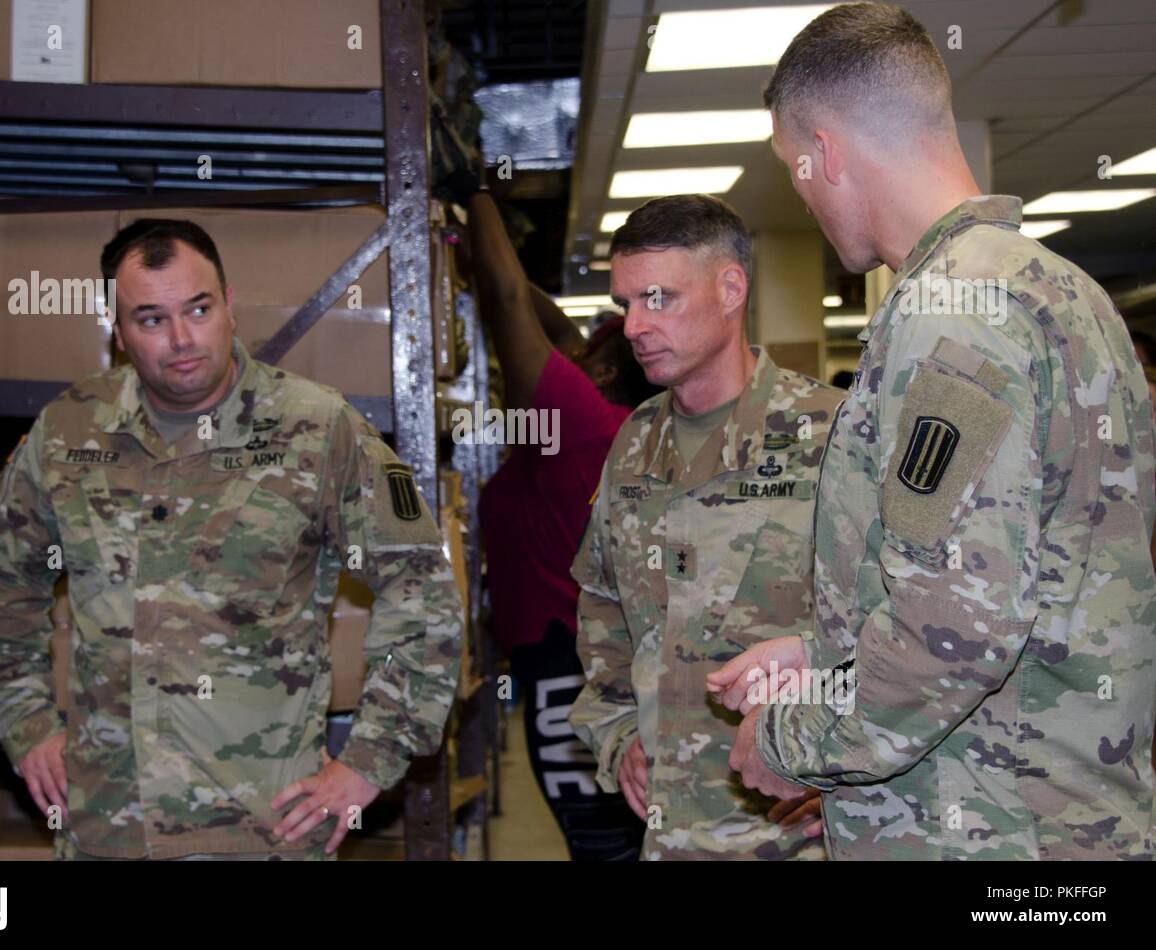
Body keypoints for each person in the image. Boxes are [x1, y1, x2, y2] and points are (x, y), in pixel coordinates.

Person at [712, 2, 1156, 860]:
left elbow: (952, 628)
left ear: (827, 152)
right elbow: (1042, 569)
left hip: (987, 836)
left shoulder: (950, 319)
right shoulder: (1064, 293)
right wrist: (823, 646)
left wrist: (785, 743)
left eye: (793, 166)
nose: (800, 192)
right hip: (1058, 817)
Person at [0, 218, 463, 860]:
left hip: (262, 832)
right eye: (150, 320)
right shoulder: (69, 433)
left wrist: (368, 760)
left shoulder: (315, 430)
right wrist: (26, 724)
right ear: (117, 333)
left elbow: (421, 590)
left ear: (229, 306)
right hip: (110, 831)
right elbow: (3, 582)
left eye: (197, 309)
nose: (181, 340)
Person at [569, 193, 844, 860]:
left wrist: (854, 772)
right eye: (624, 304)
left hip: (799, 833)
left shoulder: (835, 435)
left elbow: (902, 626)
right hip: (670, 832)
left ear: (730, 288)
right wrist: (618, 732)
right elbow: (604, 609)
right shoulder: (634, 445)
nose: (633, 326)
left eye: (657, 299)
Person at [468, 190, 657, 860]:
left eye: (585, 353)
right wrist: (475, 255)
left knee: (601, 847)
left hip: (566, 666)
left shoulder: (577, 426)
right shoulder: (604, 427)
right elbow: (535, 310)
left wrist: (475, 196)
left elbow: (514, 309)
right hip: (578, 656)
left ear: (602, 371)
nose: (565, 355)